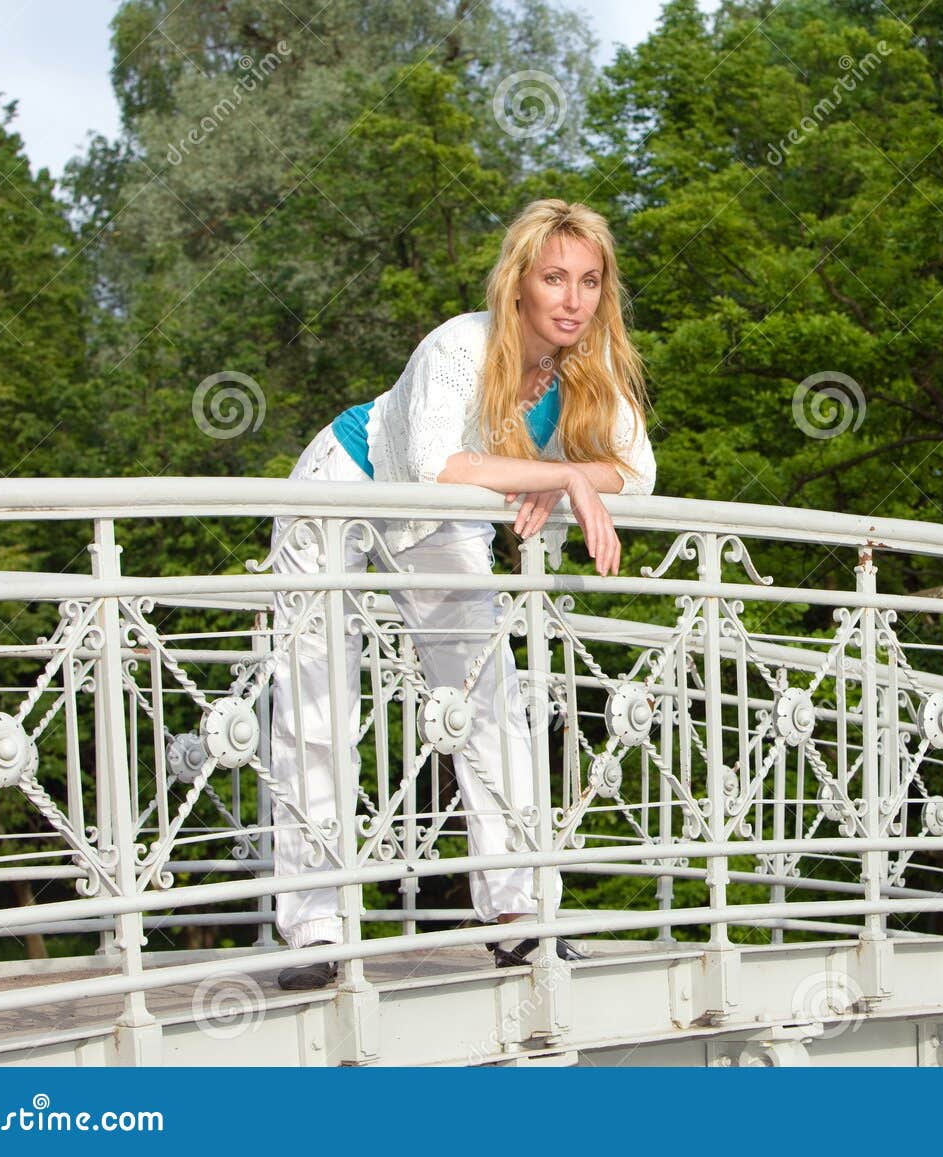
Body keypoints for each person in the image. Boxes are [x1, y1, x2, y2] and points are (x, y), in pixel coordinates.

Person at [265, 199, 657, 990]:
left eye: (588, 280)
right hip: (345, 487)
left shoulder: (592, 368)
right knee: (318, 699)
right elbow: (434, 466)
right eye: (554, 278)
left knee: (488, 697)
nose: (573, 299)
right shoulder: (458, 344)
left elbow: (639, 472)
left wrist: (572, 472)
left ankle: (520, 916)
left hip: (445, 520)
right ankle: (315, 927)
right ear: (519, 287)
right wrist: (564, 473)